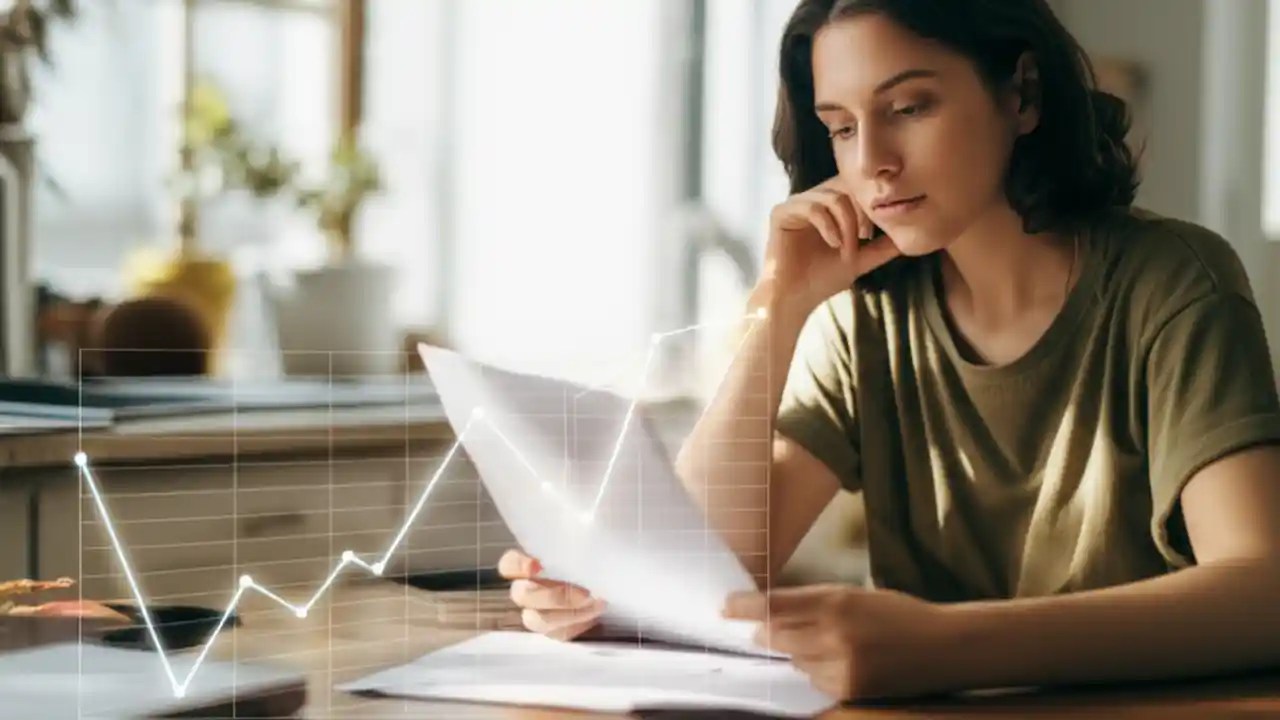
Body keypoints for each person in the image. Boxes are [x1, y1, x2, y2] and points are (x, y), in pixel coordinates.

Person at [499, 0, 1280, 701]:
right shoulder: (865, 319)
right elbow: (707, 570)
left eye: (908, 106)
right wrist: (779, 307)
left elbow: (1261, 591)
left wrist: (944, 646)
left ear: (1023, 95)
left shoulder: (1175, 284)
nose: (871, 159)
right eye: (841, 127)